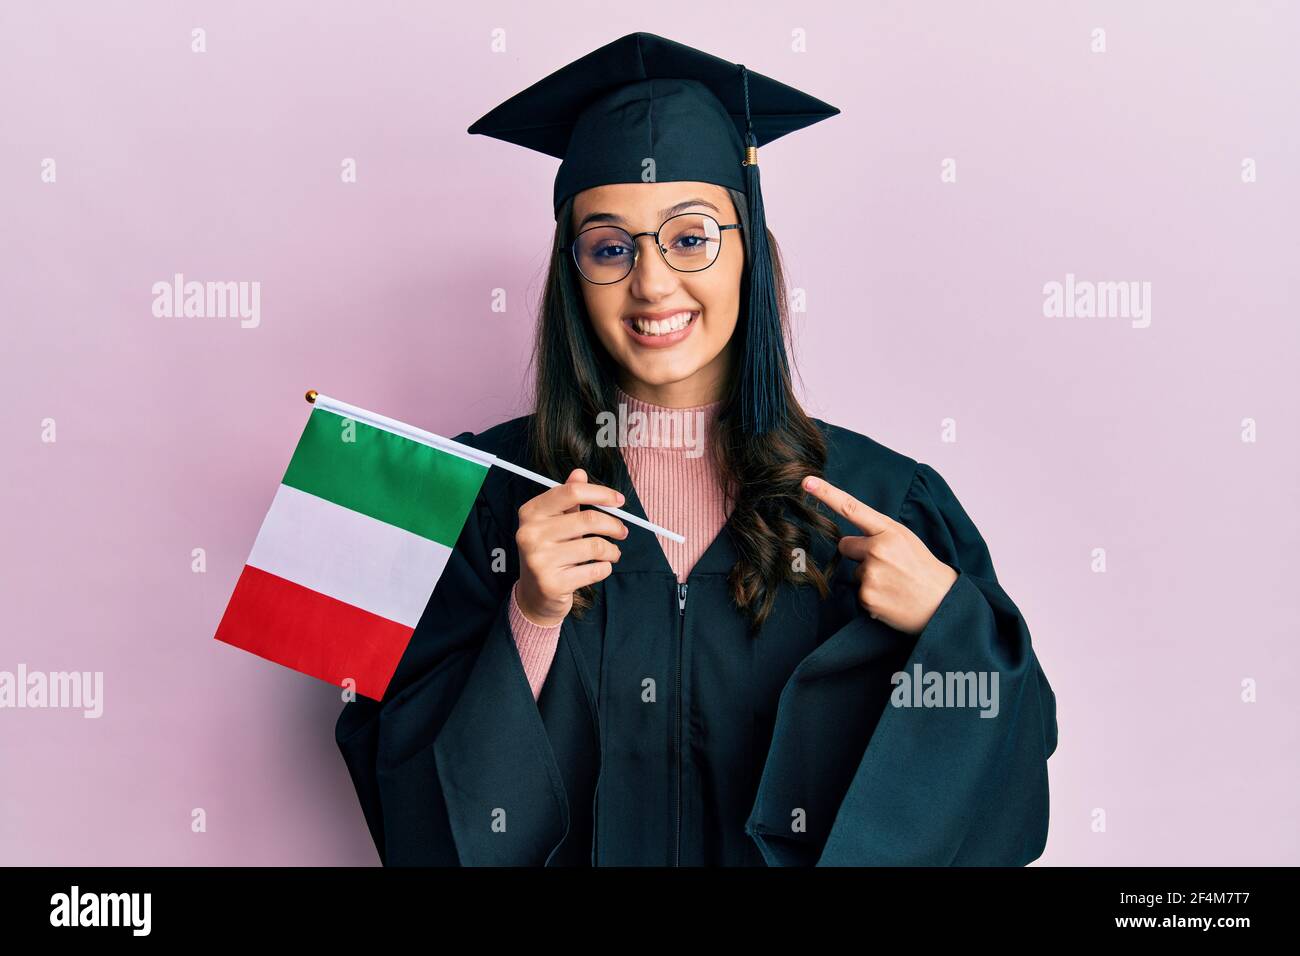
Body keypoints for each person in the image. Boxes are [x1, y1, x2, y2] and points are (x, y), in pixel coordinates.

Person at [335, 32, 1058, 866]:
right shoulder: (487, 500)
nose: (651, 283)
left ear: (749, 249)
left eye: (690, 237)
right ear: (572, 275)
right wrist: (528, 616)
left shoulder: (883, 500)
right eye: (610, 247)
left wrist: (953, 625)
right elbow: (404, 796)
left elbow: (1015, 768)